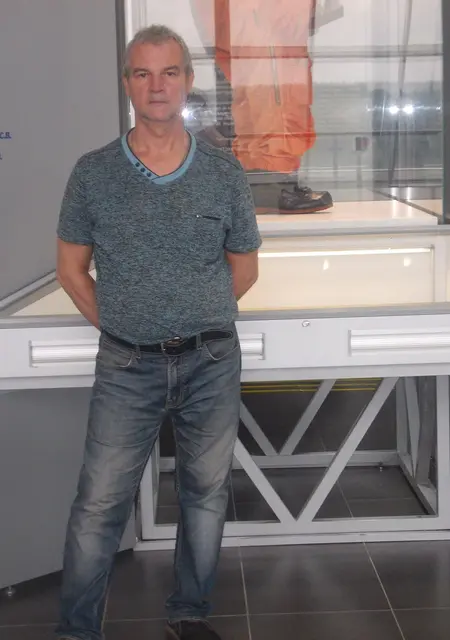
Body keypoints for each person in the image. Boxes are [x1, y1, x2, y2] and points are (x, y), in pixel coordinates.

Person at [55, 24, 261, 640]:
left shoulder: (223, 172)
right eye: (142, 73)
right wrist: (125, 323)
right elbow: (71, 270)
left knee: (205, 496)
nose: (156, 85)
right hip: (127, 367)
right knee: (99, 505)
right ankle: (76, 630)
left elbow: (245, 268)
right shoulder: (93, 173)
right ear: (127, 84)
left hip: (211, 362)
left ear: (187, 81)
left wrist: (193, 314)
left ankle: (189, 615)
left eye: (169, 72)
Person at [190, 0, 343, 213]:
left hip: (253, 18)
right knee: (272, 87)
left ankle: (262, 181)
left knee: (260, 88)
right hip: (261, 16)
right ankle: (270, 182)